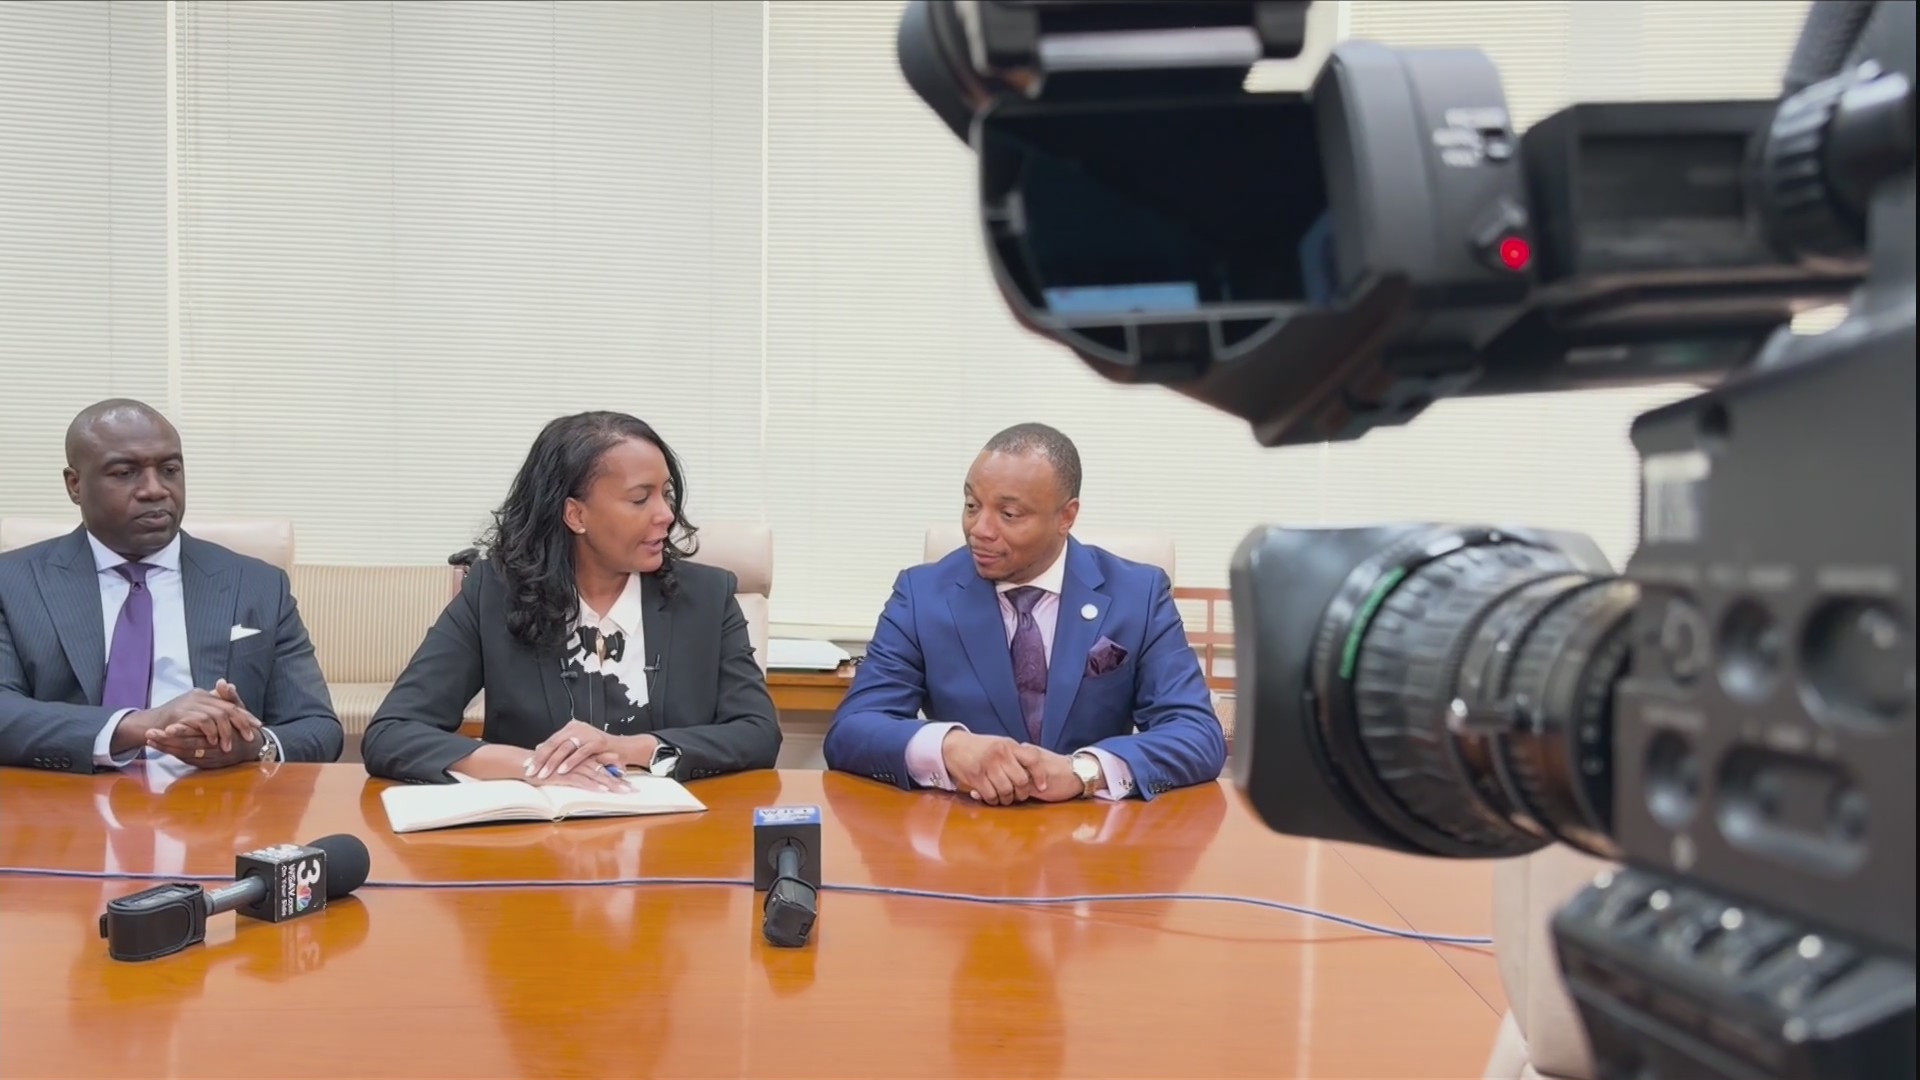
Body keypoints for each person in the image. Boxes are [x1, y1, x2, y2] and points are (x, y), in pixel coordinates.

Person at [362, 411, 780, 786]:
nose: (666, 515)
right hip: (539, 840)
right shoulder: (494, 593)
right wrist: (532, 766)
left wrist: (631, 749)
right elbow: (392, 733)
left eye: (665, 495)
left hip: (674, 836)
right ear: (575, 515)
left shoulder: (707, 597)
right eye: (640, 498)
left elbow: (757, 733)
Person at [823, 422, 1226, 803]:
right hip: (963, 835)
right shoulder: (922, 594)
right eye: (971, 505)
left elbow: (1196, 734)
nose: (980, 528)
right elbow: (852, 730)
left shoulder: (1137, 594)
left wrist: (1083, 772)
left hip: (1094, 843)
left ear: (1066, 517)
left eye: (1009, 514)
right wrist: (950, 747)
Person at [0, 399, 343, 773]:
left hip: (212, 806)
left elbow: (318, 727)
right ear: (75, 485)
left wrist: (252, 746)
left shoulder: (257, 586)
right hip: (63, 803)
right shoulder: (14, 584)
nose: (154, 489)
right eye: (124, 472)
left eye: (169, 469)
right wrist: (138, 725)